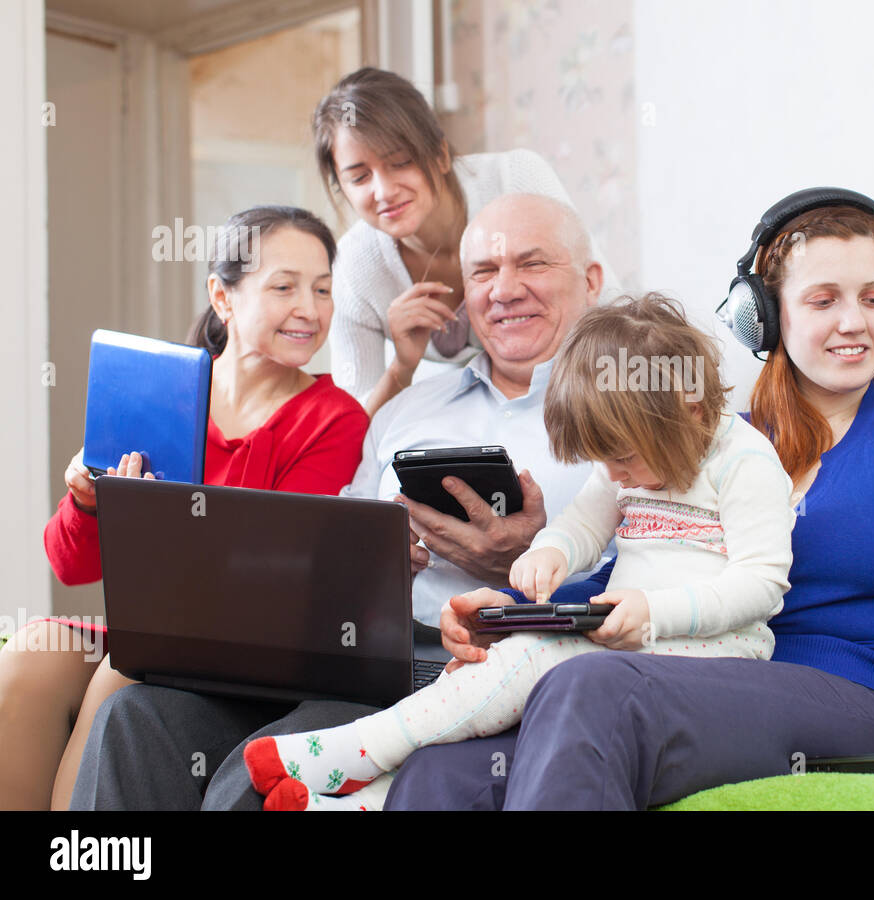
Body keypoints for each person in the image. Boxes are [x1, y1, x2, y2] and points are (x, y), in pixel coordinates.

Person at [382, 190, 874, 809]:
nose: (854, 322)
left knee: (592, 687)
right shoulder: (701, 433)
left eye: (873, 299)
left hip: (851, 696)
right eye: (823, 300)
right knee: (447, 766)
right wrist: (510, 610)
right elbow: (624, 573)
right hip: (687, 674)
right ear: (764, 317)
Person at [68, 193, 609, 810]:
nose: (504, 289)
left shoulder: (624, 418)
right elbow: (331, 541)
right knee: (134, 720)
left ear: (591, 281)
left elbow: (660, 571)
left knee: (257, 776)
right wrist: (371, 562)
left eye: (532, 264)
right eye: (483, 272)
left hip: (481, 680)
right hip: (358, 662)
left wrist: (525, 569)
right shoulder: (408, 412)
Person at [242, 294, 795, 809]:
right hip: (634, 641)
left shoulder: (743, 461)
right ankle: (369, 799)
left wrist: (655, 613)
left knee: (534, 657)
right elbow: (582, 523)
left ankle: (362, 747)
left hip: (719, 654)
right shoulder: (630, 462)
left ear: (690, 409)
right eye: (602, 461)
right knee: (487, 662)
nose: (614, 476)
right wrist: (550, 553)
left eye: (622, 459)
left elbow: (762, 586)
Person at [0, 206, 368, 810]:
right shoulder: (154, 390)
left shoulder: (333, 417)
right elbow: (71, 567)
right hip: (154, 627)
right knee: (29, 657)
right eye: (284, 287)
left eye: (323, 289)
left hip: (249, 638)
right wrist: (89, 500)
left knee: (127, 667)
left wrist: (154, 519)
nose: (310, 307)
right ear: (223, 297)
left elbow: (275, 567)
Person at [314, 67, 619, 417]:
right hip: (461, 417)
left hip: (572, 395)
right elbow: (353, 427)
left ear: (442, 155)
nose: (383, 191)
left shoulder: (515, 178)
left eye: (400, 162)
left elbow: (609, 306)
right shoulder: (354, 268)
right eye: (359, 177)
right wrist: (401, 367)